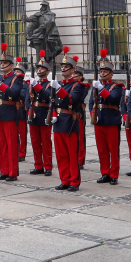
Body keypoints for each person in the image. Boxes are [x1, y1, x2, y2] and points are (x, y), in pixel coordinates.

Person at [51, 55, 87, 191]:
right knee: (61, 154)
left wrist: (58, 90)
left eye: (67, 67)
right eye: (62, 67)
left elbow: (72, 100)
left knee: (72, 154)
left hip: (70, 122)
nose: (63, 68)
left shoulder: (78, 86)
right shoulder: (59, 84)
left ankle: (74, 181)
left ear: (73, 70)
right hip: (58, 122)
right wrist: (54, 115)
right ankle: (64, 179)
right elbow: (52, 103)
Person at [90, 52, 126, 185]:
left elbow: (113, 99)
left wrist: (101, 89)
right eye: (101, 71)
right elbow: (90, 102)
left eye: (106, 71)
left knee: (113, 149)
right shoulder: (96, 86)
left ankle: (114, 174)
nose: (102, 73)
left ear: (111, 74)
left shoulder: (117, 87)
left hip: (111, 121)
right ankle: (105, 172)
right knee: (102, 149)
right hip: (99, 121)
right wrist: (93, 114)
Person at [0, 46, 25, 181]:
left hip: (10, 114)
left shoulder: (17, 78)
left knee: (11, 144)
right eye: (1, 63)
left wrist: (0, 85)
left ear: (11, 66)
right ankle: (4, 170)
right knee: (1, 143)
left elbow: (14, 93)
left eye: (5, 64)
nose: (2, 65)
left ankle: (12, 172)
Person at [27, 52, 54, 176]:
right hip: (33, 115)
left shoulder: (49, 84)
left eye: (42, 68)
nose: (40, 70)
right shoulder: (32, 84)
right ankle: (38, 165)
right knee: (35, 142)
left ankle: (48, 166)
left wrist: (36, 86)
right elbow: (27, 100)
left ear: (47, 72)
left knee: (46, 142)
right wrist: (29, 111)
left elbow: (48, 96)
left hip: (44, 115)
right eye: (38, 68)